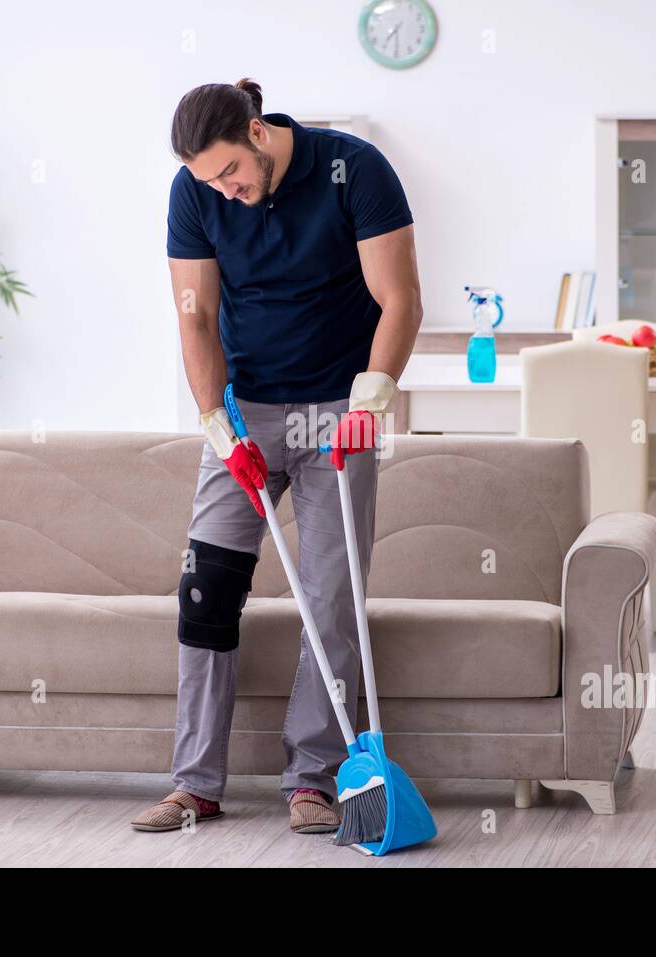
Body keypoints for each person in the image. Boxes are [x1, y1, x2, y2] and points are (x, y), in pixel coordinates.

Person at [130, 78, 422, 834]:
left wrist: (370, 405)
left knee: (331, 597)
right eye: (208, 183)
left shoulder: (353, 169)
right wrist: (217, 425)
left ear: (258, 134)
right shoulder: (194, 194)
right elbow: (194, 318)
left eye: (231, 175)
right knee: (206, 590)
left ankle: (313, 779)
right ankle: (194, 782)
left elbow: (400, 299)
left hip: (339, 412)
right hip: (247, 409)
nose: (224, 194)